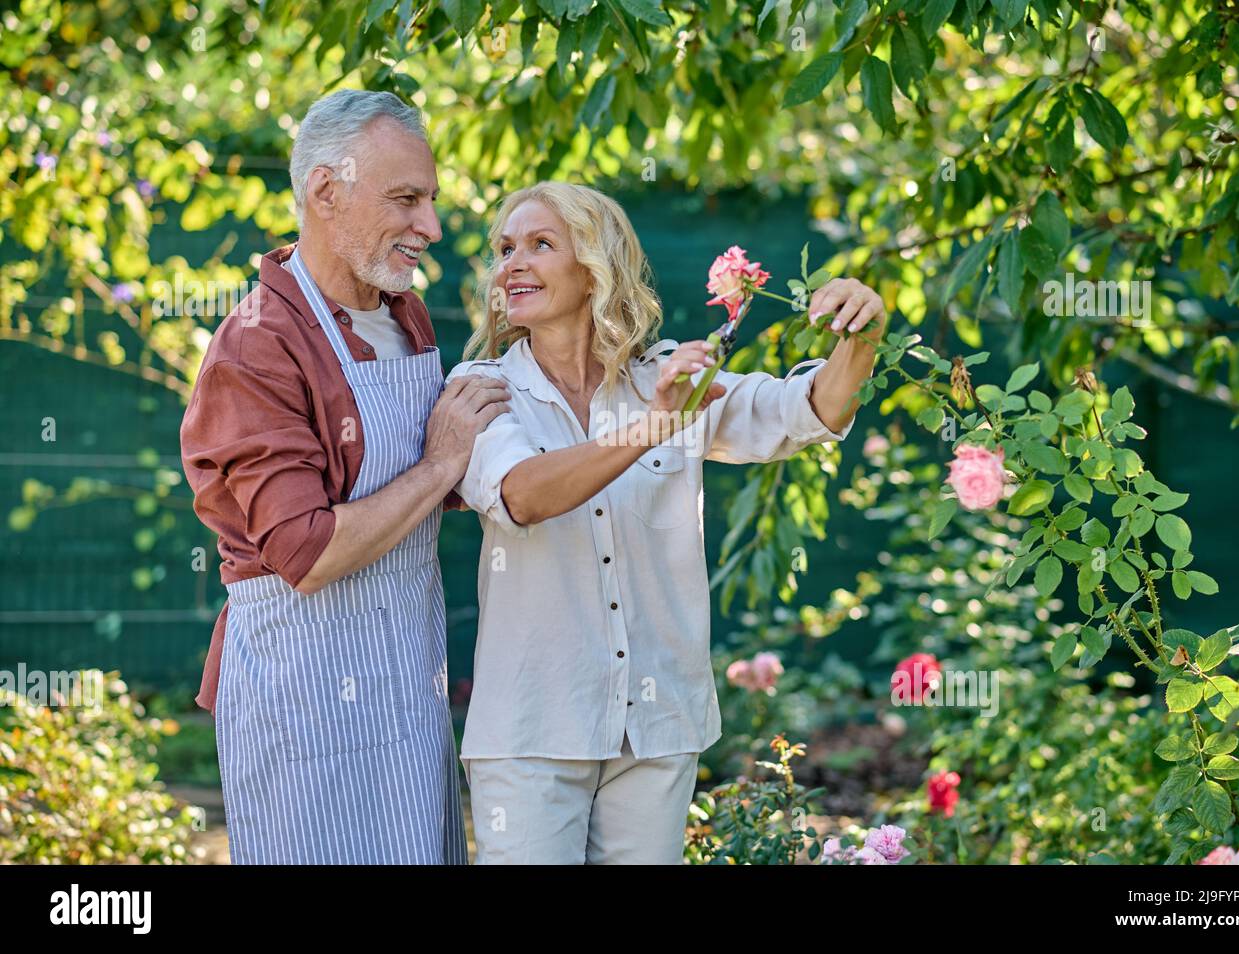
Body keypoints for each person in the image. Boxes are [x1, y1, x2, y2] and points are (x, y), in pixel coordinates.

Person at [447, 182, 885, 864]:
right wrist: (653, 426)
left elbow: (805, 412)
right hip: (531, 728)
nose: (512, 264)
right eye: (505, 248)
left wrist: (862, 334)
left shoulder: (666, 375)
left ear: (596, 265)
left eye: (540, 244)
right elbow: (522, 496)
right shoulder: (480, 388)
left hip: (654, 728)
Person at [180, 89, 508, 863]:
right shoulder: (258, 345)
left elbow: (442, 471)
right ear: (326, 191)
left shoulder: (403, 314)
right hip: (307, 688)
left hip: (405, 673)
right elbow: (308, 553)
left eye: (430, 200)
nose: (430, 226)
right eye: (406, 199)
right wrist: (441, 464)